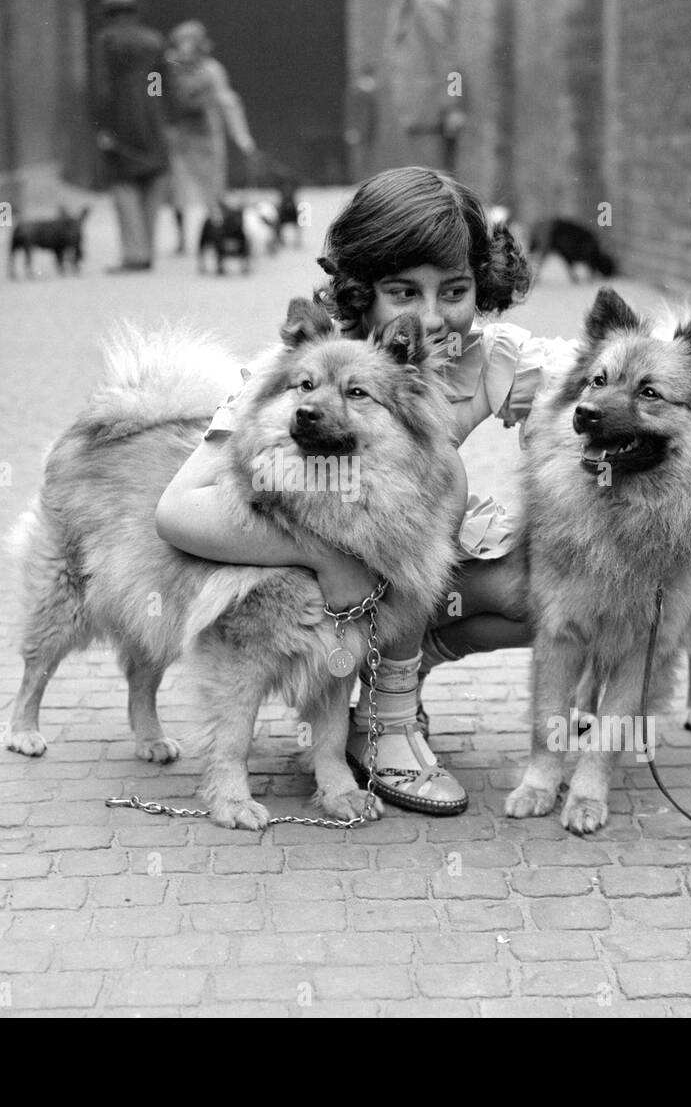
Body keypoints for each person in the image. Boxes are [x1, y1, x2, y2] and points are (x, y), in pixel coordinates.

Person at [154, 166, 577, 815]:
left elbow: (597, 386)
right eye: (404, 291)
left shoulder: (497, 358)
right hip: (321, 573)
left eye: (455, 290)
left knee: (548, 591)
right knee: (447, 477)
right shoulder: (312, 367)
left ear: (480, 285)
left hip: (408, 566)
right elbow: (178, 509)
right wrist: (330, 558)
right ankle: (388, 727)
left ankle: (393, 680)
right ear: (362, 291)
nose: (433, 317)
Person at [90, 0, 169, 272]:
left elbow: (102, 88)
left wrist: (103, 127)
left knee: (124, 185)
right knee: (152, 180)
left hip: (120, 119)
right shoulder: (154, 40)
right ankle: (147, 250)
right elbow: (162, 84)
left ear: (109, 12)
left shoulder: (106, 40)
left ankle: (134, 254)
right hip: (152, 118)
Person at [162, 20, 256, 255]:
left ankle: (217, 231)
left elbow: (228, 102)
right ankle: (182, 237)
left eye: (191, 41)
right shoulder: (165, 68)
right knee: (178, 190)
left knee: (213, 188)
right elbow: (153, 94)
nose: (186, 47)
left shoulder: (212, 69)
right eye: (182, 41)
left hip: (207, 135)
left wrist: (241, 135)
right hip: (179, 135)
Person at [375, 0, 465, 173]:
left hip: (432, 114)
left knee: (435, 182)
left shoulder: (429, 0)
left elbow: (445, 55)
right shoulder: (408, 1)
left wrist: (452, 106)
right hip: (416, 112)